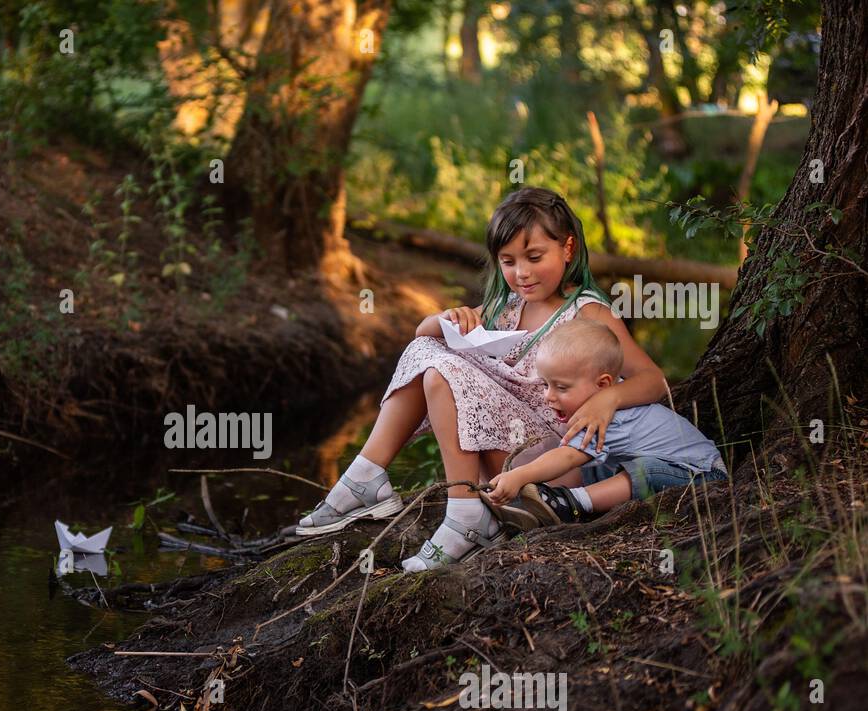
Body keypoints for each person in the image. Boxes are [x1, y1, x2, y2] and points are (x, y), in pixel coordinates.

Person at [294, 186, 669, 572]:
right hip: (505, 455)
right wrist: (449, 318)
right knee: (428, 352)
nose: (521, 273)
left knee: (446, 369)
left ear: (568, 249)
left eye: (534, 257)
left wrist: (608, 400)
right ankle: (368, 476)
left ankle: (464, 513)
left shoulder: (588, 312)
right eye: (508, 262)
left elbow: (653, 380)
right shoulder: (507, 307)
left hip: (552, 470)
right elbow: (422, 335)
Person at [484, 319, 727, 524]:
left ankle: (573, 503)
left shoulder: (609, 418)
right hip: (675, 469)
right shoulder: (604, 403)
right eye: (546, 384)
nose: (549, 396)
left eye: (561, 387)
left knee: (644, 471)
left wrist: (519, 475)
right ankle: (545, 499)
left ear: (602, 384)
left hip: (701, 476)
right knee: (594, 464)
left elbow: (567, 457)